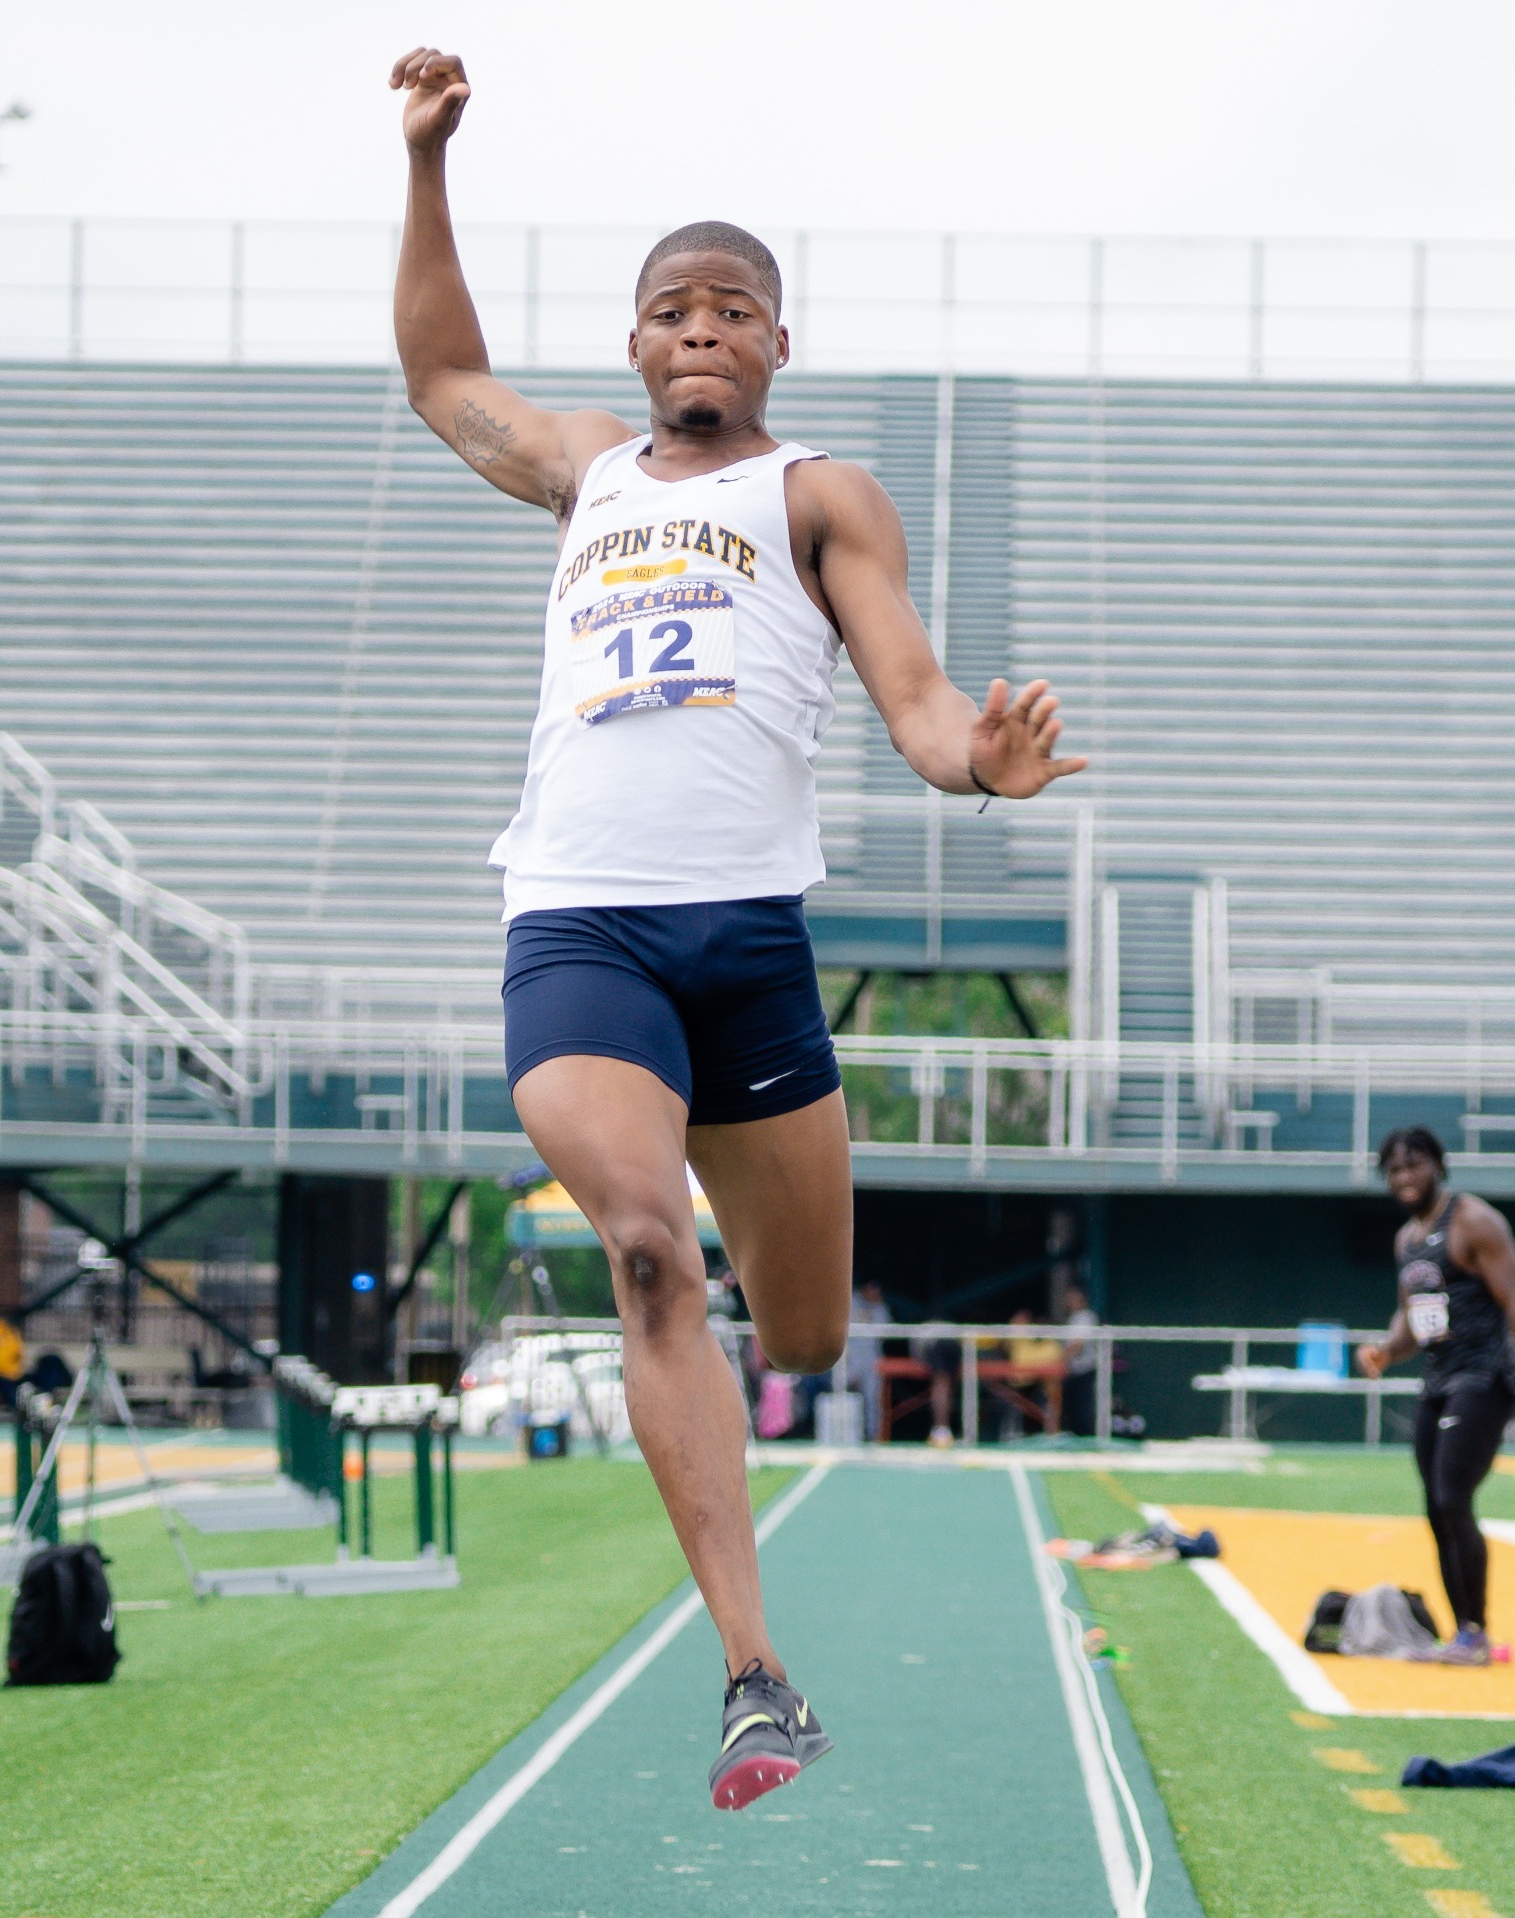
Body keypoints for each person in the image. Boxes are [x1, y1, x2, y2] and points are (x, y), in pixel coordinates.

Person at [386, 48, 1084, 1805]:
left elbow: (917, 703)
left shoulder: (819, 495)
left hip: (746, 945)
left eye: (734, 311)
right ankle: (756, 1671)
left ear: (776, 342)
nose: (701, 332)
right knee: (639, 1241)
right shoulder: (584, 473)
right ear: (636, 345)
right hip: (579, 929)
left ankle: (780, 1349)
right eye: (672, 310)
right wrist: (426, 165)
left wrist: (977, 770)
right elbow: (441, 371)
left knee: (807, 1338)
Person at [1356, 1127, 1515, 1662]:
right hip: (1439, 1378)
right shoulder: (1406, 1239)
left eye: (1414, 1166)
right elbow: (1412, 1321)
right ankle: (1461, 1633)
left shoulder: (1474, 1221)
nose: (1405, 1178)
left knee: (1452, 1496)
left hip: (1485, 1377)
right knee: (1434, 1508)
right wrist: (1384, 1350)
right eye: (1395, 1170)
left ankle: (1476, 1630)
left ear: (1439, 1166)